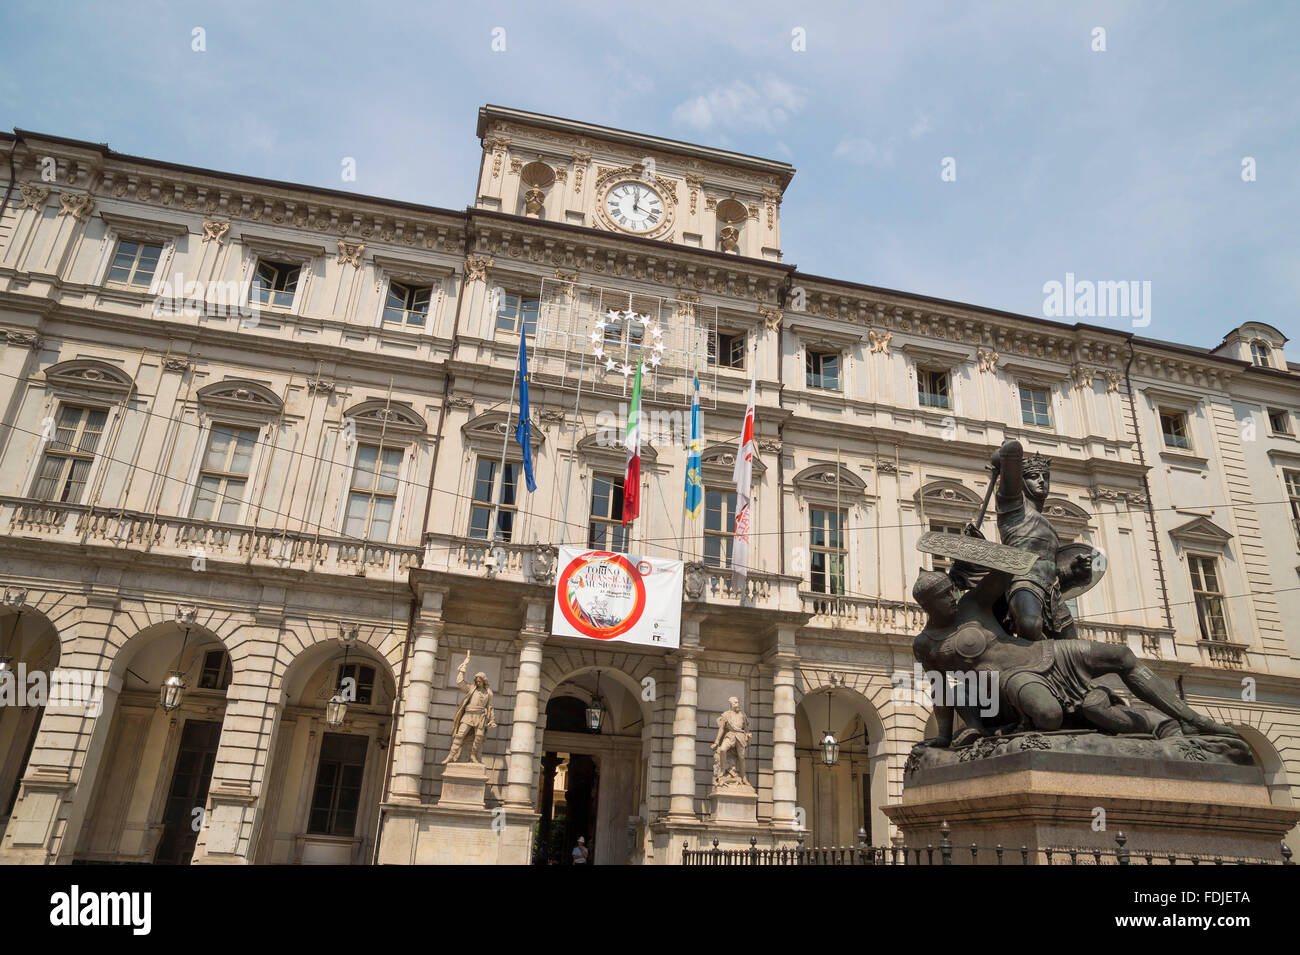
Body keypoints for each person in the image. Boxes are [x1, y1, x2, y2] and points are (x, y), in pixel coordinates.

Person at [910, 565, 1239, 743]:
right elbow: (942, 691)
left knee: (1121, 655)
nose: (952, 597)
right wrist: (943, 734)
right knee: (1050, 717)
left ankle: (1193, 720)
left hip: (1047, 651)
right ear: (927, 604)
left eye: (951, 589)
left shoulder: (971, 605)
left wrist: (972, 551)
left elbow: (1010, 565)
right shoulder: (927, 644)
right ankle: (1146, 722)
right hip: (1013, 680)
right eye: (943, 595)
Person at [991, 440, 1092, 641]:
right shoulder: (1013, 508)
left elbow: (1048, 567)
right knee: (1029, 625)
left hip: (1052, 592)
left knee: (1074, 647)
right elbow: (1012, 453)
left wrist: (1072, 571)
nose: (1041, 481)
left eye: (1045, 476)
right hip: (1024, 583)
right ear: (1019, 482)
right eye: (1033, 476)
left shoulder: (1049, 528)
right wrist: (1006, 458)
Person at [442, 651, 497, 764]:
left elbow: (490, 707)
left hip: (480, 717)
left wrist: (492, 720)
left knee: (479, 738)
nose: (478, 682)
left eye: (479, 681)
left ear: (483, 681)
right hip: (468, 715)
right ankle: (451, 756)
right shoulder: (471, 688)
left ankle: (473, 756)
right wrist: (463, 667)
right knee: (459, 735)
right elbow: (459, 682)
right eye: (476, 681)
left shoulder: (489, 693)